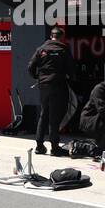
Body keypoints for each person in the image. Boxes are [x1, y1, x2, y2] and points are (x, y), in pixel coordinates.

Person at [28, 26, 74, 156]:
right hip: (58, 85)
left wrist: (38, 77)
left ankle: (39, 146)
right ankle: (54, 147)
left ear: (51, 36)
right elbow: (71, 68)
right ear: (61, 37)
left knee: (44, 113)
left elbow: (30, 66)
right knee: (55, 116)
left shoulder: (41, 49)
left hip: (44, 85)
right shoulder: (64, 49)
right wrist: (72, 79)